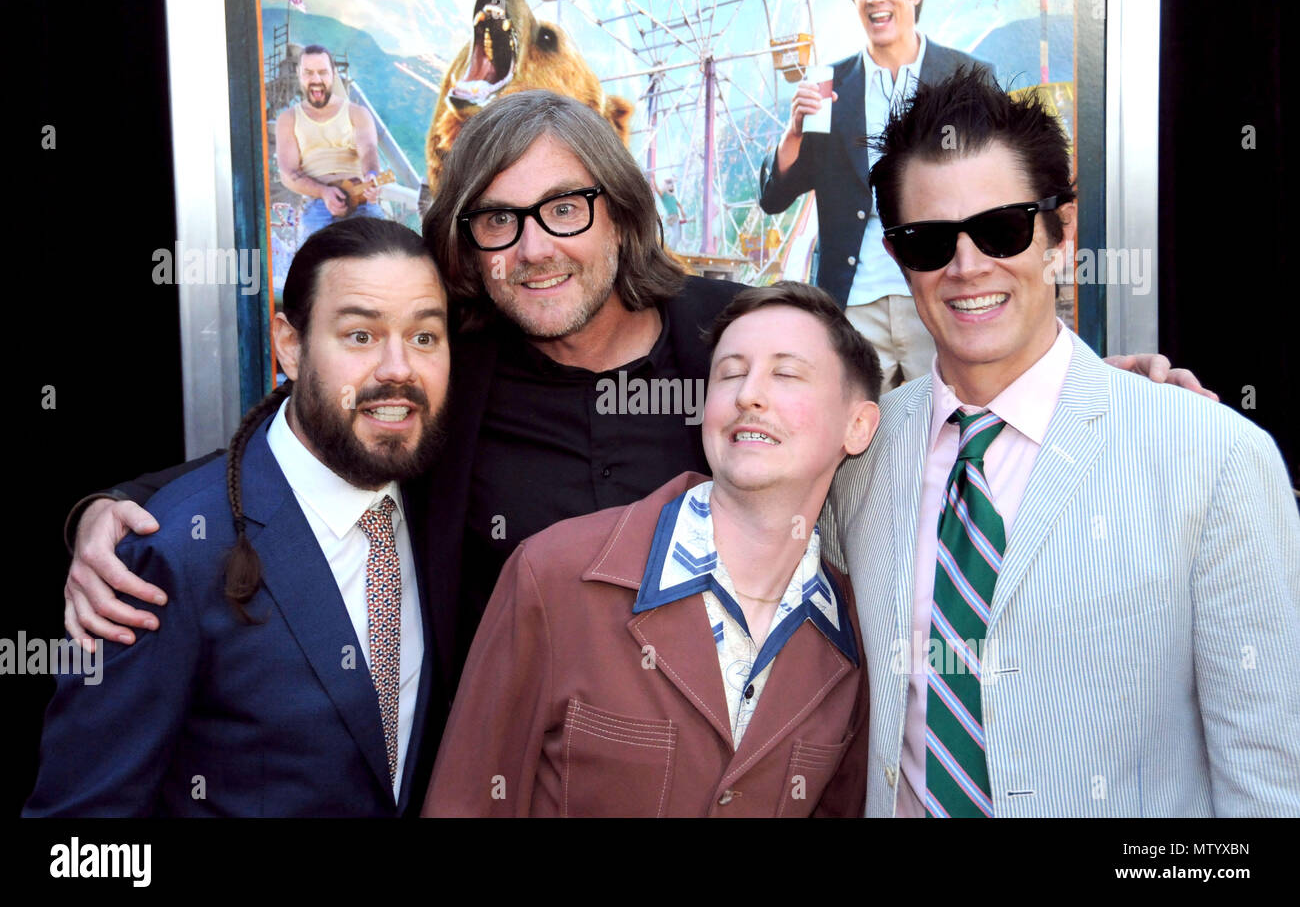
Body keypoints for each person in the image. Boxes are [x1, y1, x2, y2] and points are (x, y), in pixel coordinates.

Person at [58, 91, 1207, 770]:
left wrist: (1113, 392)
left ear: (619, 213)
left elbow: (924, 367)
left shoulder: (733, 338)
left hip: (753, 769)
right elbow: (305, 448)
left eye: (563, 209)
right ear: (465, 246)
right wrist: (115, 513)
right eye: (496, 223)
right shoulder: (458, 368)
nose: (535, 247)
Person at [822, 68, 1300, 818]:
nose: (968, 266)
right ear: (898, 257)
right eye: (928, 241)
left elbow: (1269, 783)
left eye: (1002, 228)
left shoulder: (1213, 459)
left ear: (1059, 235)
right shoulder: (858, 458)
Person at [26, 219, 452, 815]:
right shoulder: (168, 556)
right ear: (291, 346)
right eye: (360, 335)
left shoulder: (447, 505)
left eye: (425, 338)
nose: (398, 368)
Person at [426, 282, 879, 816]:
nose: (748, 394)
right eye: (729, 373)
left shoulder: (855, 634)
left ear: (857, 426)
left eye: (786, 373)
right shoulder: (554, 575)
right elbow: (468, 800)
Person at [759, 0, 995, 393]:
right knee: (855, 440)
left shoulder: (968, 78)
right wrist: (794, 134)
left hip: (941, 288)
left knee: (955, 422)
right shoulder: (829, 87)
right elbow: (773, 198)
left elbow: (995, 185)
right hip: (854, 301)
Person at [275, 45, 385, 242]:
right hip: (318, 206)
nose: (316, 80)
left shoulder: (357, 113)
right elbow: (288, 174)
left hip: (361, 200)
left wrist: (372, 177)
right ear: (299, 75)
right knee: (315, 267)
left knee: (384, 255)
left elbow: (368, 150)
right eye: (308, 73)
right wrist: (324, 192)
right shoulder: (288, 119)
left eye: (322, 72)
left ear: (333, 74)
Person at [654, 174, 688, 249]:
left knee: (678, 235)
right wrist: (653, 180)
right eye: (670, 184)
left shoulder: (672, 197)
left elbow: (678, 204)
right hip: (671, 217)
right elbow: (658, 191)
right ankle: (670, 248)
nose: (672, 186)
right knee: (675, 234)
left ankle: (673, 247)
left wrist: (682, 211)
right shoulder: (665, 196)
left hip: (676, 217)